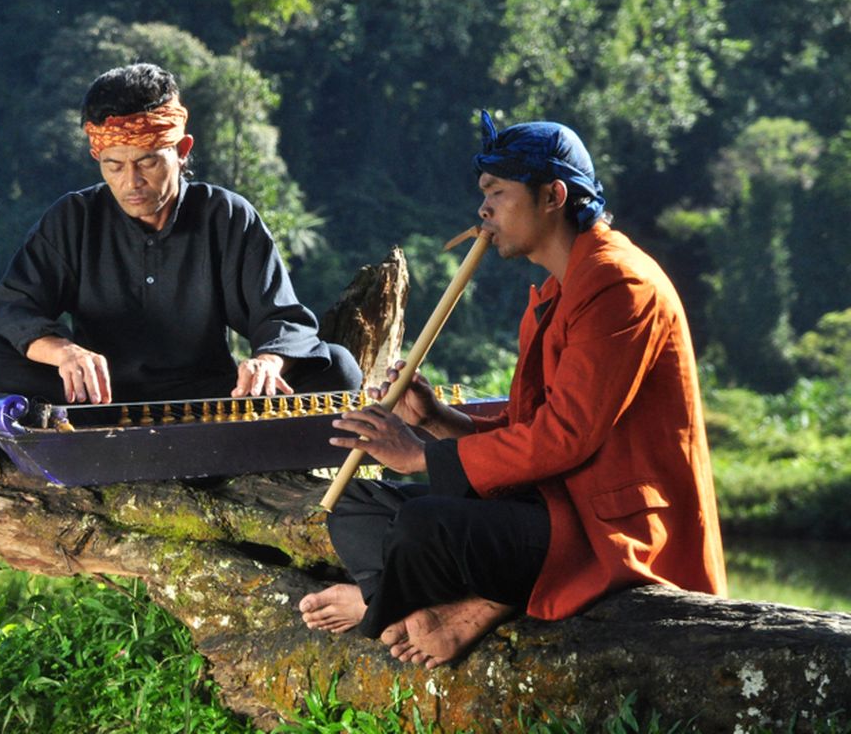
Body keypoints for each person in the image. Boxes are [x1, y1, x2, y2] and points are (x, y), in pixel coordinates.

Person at [298, 111, 726, 668]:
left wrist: (420, 456)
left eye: (497, 192)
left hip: (605, 526)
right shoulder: (556, 292)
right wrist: (436, 421)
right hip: (547, 504)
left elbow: (566, 437)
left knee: (423, 526)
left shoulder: (620, 285)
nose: (483, 210)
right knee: (355, 506)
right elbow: (532, 426)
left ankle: (405, 607)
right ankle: (419, 609)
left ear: (553, 195)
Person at [0, 63, 361, 417]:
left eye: (147, 161)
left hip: (211, 403)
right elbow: (11, 310)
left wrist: (268, 362)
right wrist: (64, 352)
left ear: (182, 150)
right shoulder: (73, 218)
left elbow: (281, 317)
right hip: (96, 402)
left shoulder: (226, 214)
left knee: (338, 369)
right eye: (113, 165)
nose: (131, 182)